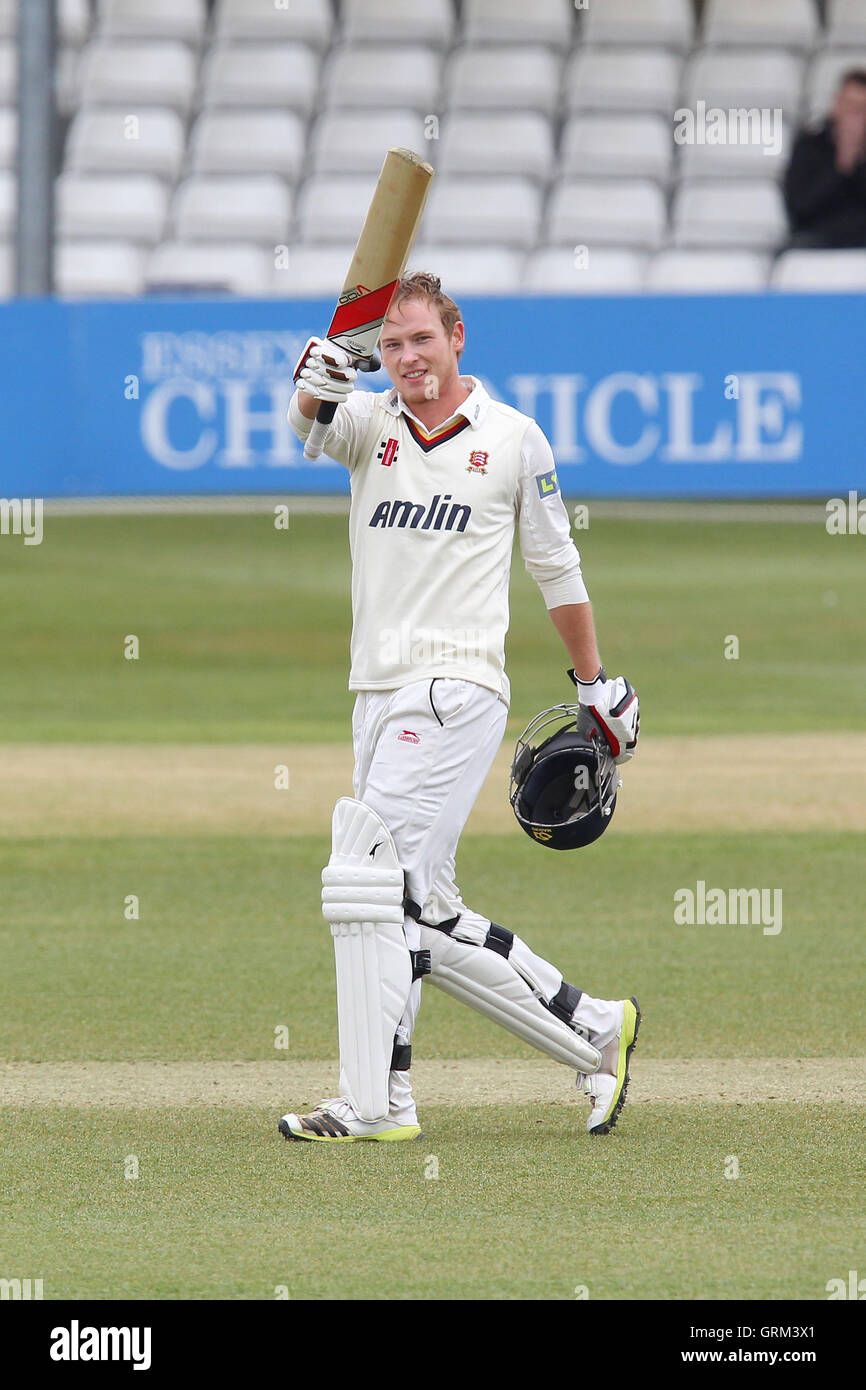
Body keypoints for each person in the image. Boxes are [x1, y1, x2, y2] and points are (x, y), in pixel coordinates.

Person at [280, 272, 640, 1144]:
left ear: (457, 337)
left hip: (457, 689)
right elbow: (310, 424)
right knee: (424, 914)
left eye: (423, 340)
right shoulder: (371, 426)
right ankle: (596, 1029)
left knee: (367, 884)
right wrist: (317, 379)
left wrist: (594, 684)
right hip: (376, 691)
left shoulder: (516, 439)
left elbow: (557, 568)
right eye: (392, 345)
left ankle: (377, 1102)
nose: (408, 358)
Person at [784, 69, 866, 248]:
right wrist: (842, 163)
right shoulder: (809, 146)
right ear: (837, 104)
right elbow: (799, 207)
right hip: (817, 239)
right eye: (850, 105)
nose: (854, 114)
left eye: (861, 109)